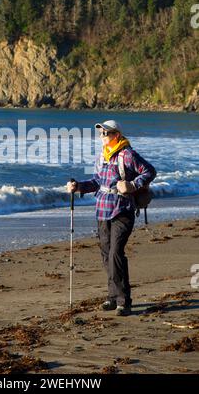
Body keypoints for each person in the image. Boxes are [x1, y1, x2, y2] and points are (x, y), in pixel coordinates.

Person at [67, 120, 156, 316]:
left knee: (116, 253)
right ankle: (113, 297)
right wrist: (79, 186)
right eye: (100, 134)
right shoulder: (102, 157)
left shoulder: (128, 154)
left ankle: (125, 301)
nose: (102, 137)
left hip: (122, 209)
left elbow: (150, 171)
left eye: (105, 134)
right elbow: (97, 182)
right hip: (102, 209)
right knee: (106, 254)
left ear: (116, 135)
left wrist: (132, 185)